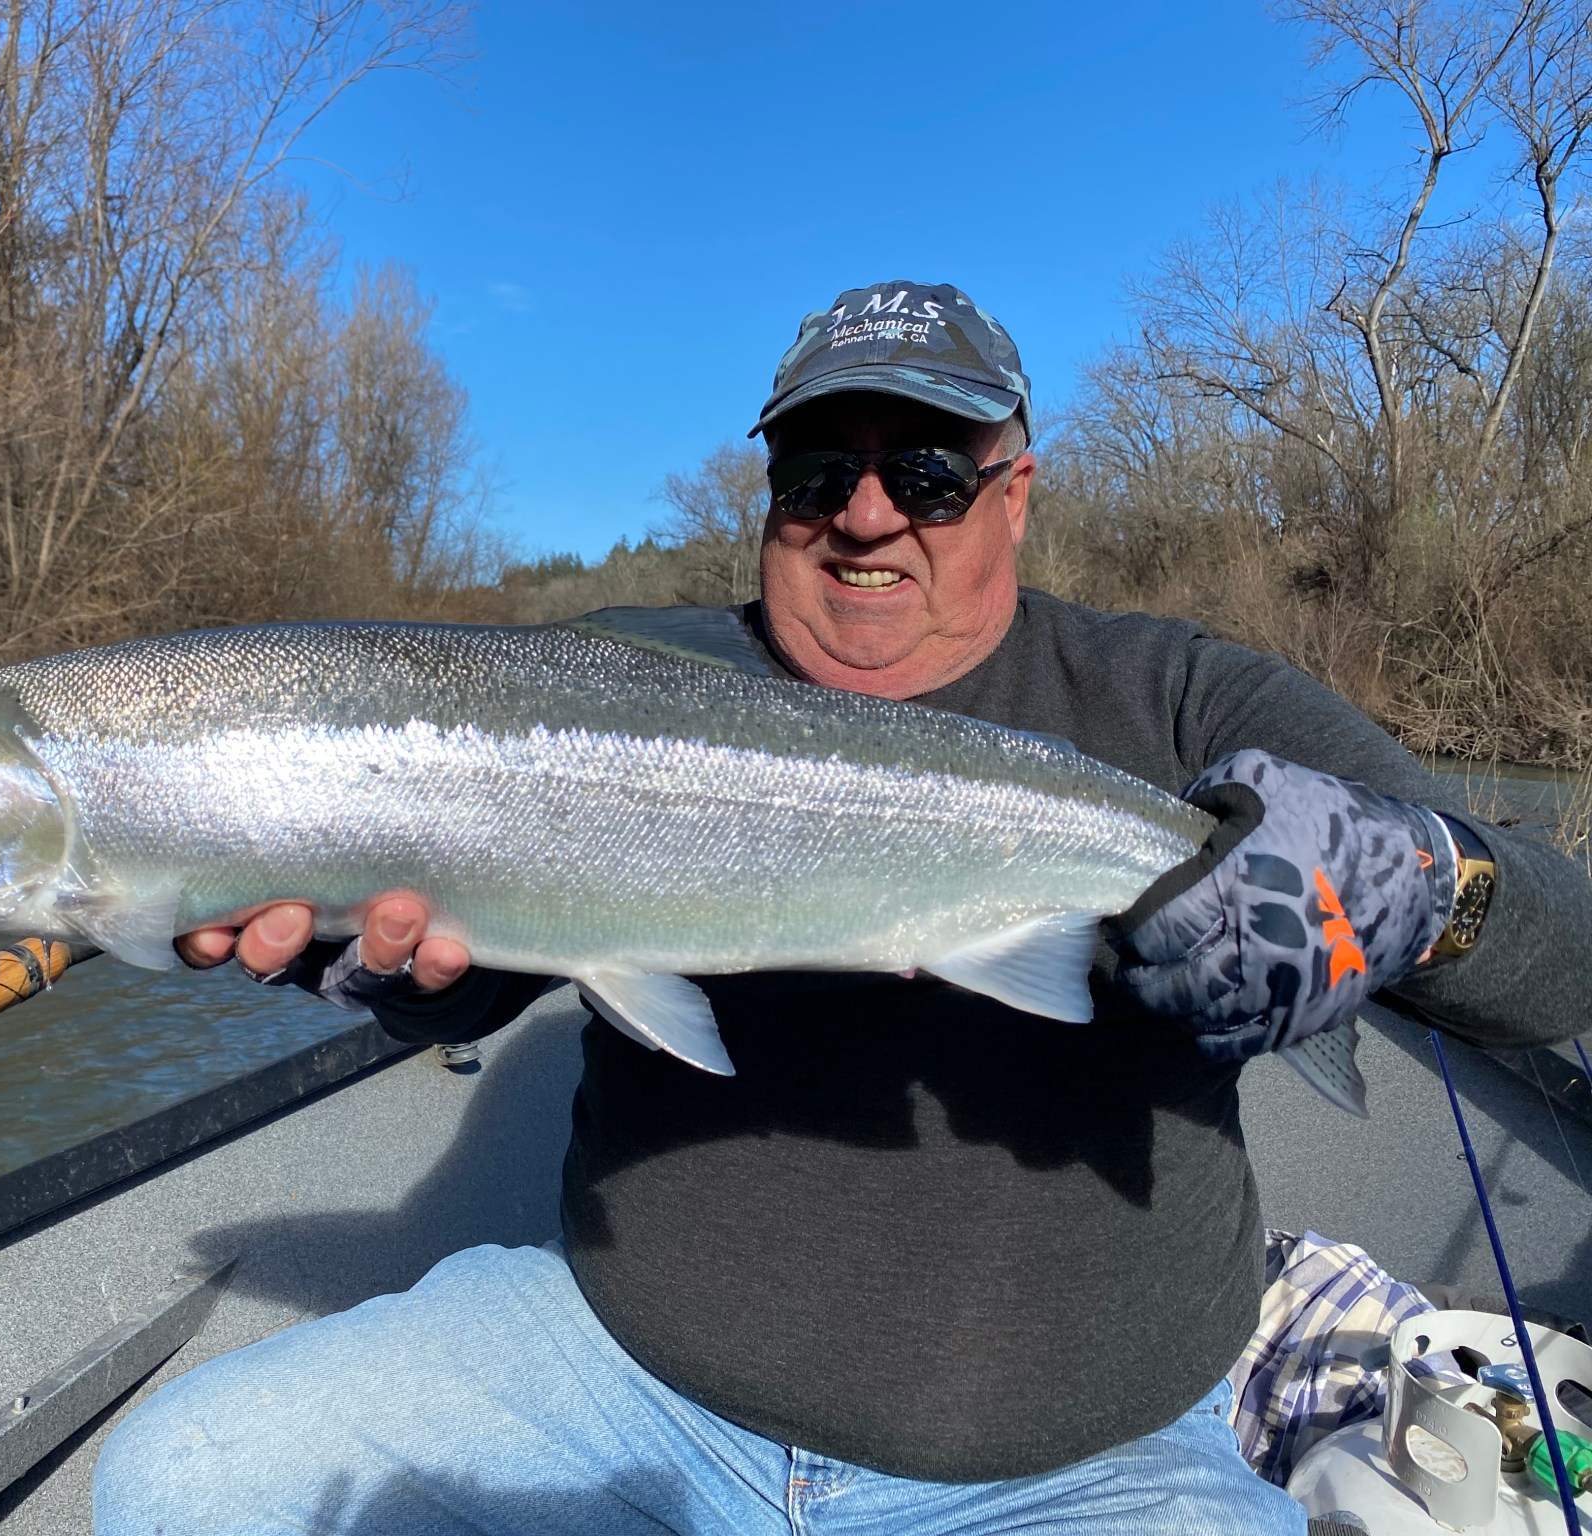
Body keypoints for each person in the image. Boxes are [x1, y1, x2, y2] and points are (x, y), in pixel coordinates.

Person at [91, 280, 1592, 1535]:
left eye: (928, 470)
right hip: (618, 1375)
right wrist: (353, 950)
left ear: (1017, 491)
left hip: (1090, 1465)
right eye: (819, 472)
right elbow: (470, 973)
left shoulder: (1186, 700)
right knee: (180, 1481)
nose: (867, 517)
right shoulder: (620, 678)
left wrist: (1423, 896)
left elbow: (1557, 950)